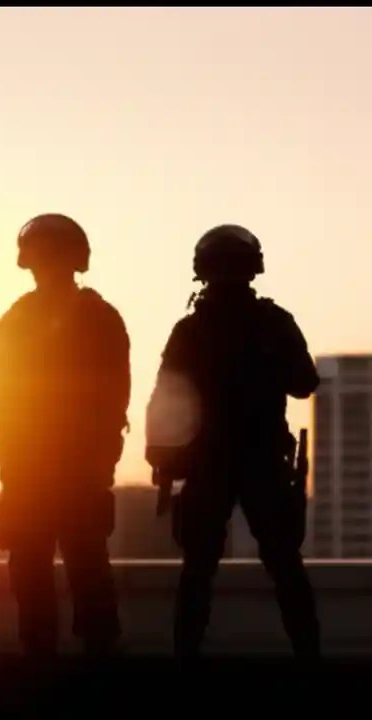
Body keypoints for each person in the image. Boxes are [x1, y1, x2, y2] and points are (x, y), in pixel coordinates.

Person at [0, 213, 130, 658]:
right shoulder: (96, 317)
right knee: (78, 566)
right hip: (61, 470)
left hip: (49, 470)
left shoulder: (26, 320)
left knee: (52, 569)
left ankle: (52, 662)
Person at [146, 224, 320, 660]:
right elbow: (304, 383)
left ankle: (186, 659)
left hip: (209, 462)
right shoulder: (273, 323)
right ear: (254, 268)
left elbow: (165, 399)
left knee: (198, 570)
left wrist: (162, 458)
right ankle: (310, 660)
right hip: (259, 460)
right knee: (285, 565)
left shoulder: (189, 331)